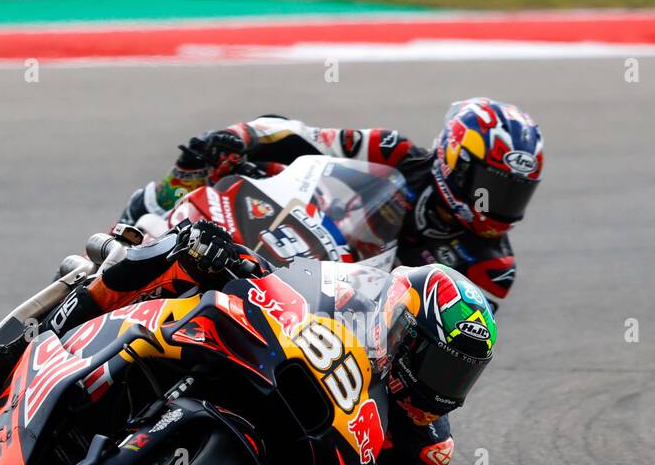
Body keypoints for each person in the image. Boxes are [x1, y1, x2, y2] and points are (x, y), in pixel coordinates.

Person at [0, 219, 499, 465]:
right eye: (436, 364)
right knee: (179, 253)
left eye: (461, 375)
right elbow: (294, 280)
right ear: (401, 331)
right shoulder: (355, 305)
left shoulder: (429, 447)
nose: (442, 386)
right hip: (271, 364)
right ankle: (24, 345)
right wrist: (232, 258)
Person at [120, 98, 542, 308]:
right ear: (455, 159)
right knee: (212, 172)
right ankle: (126, 247)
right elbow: (298, 135)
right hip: (306, 239)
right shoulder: (396, 151)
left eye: (517, 192)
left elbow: (443, 336)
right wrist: (239, 138)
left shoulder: (492, 268)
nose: (502, 205)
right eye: (495, 186)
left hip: (354, 320)